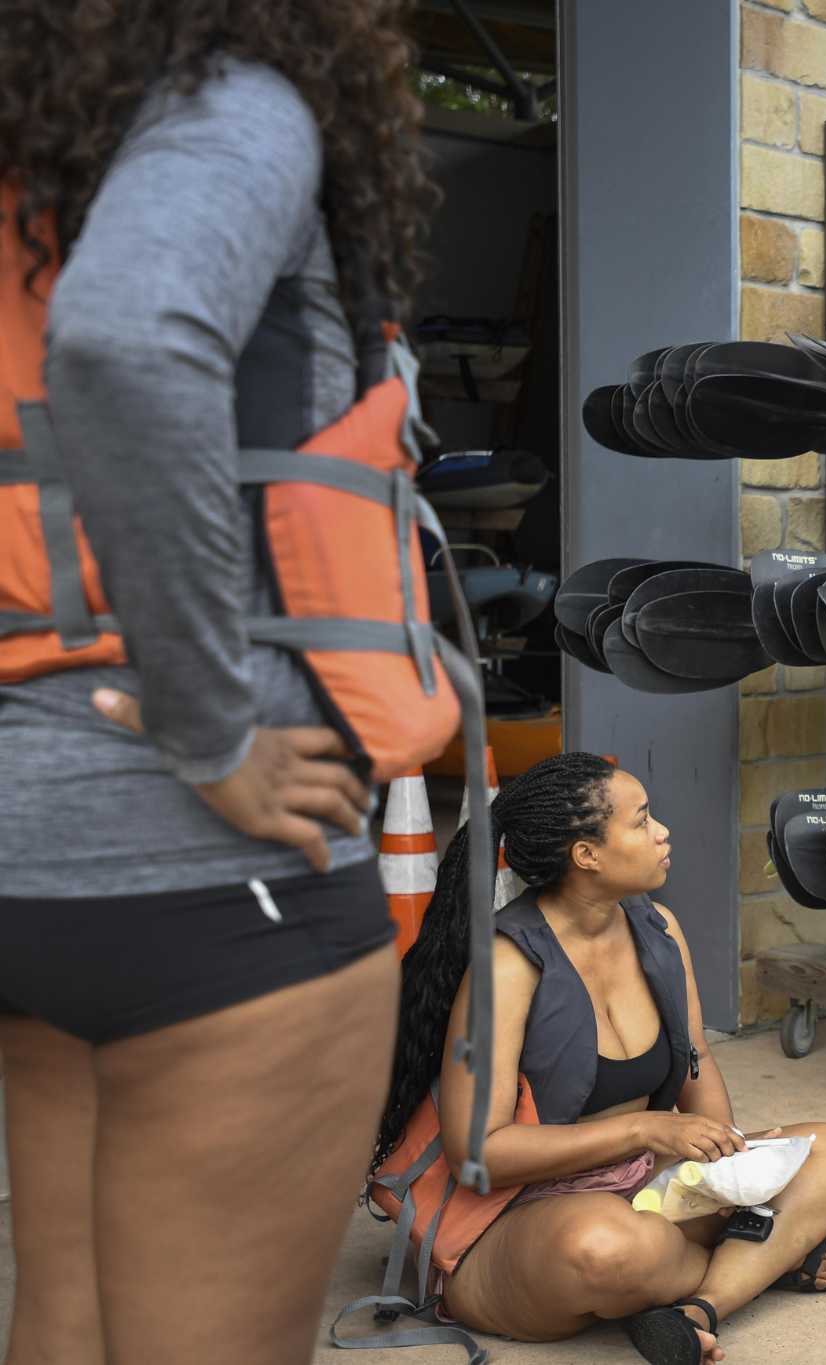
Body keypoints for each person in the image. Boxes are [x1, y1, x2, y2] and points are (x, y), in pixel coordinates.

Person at [0, 6, 461, 1361]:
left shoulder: (41, 169)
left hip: (32, 854)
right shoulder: (240, 105)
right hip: (212, 866)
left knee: (63, 1323)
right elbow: (130, 344)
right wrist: (213, 733)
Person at [366, 753, 826, 1365]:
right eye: (642, 821)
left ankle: (697, 1309)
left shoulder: (657, 927)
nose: (663, 833)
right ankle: (765, 1255)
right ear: (587, 855)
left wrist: (731, 1167)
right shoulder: (508, 963)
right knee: (606, 1248)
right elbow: (480, 1155)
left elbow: (696, 1060)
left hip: (647, 1183)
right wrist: (644, 1127)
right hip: (526, 1217)